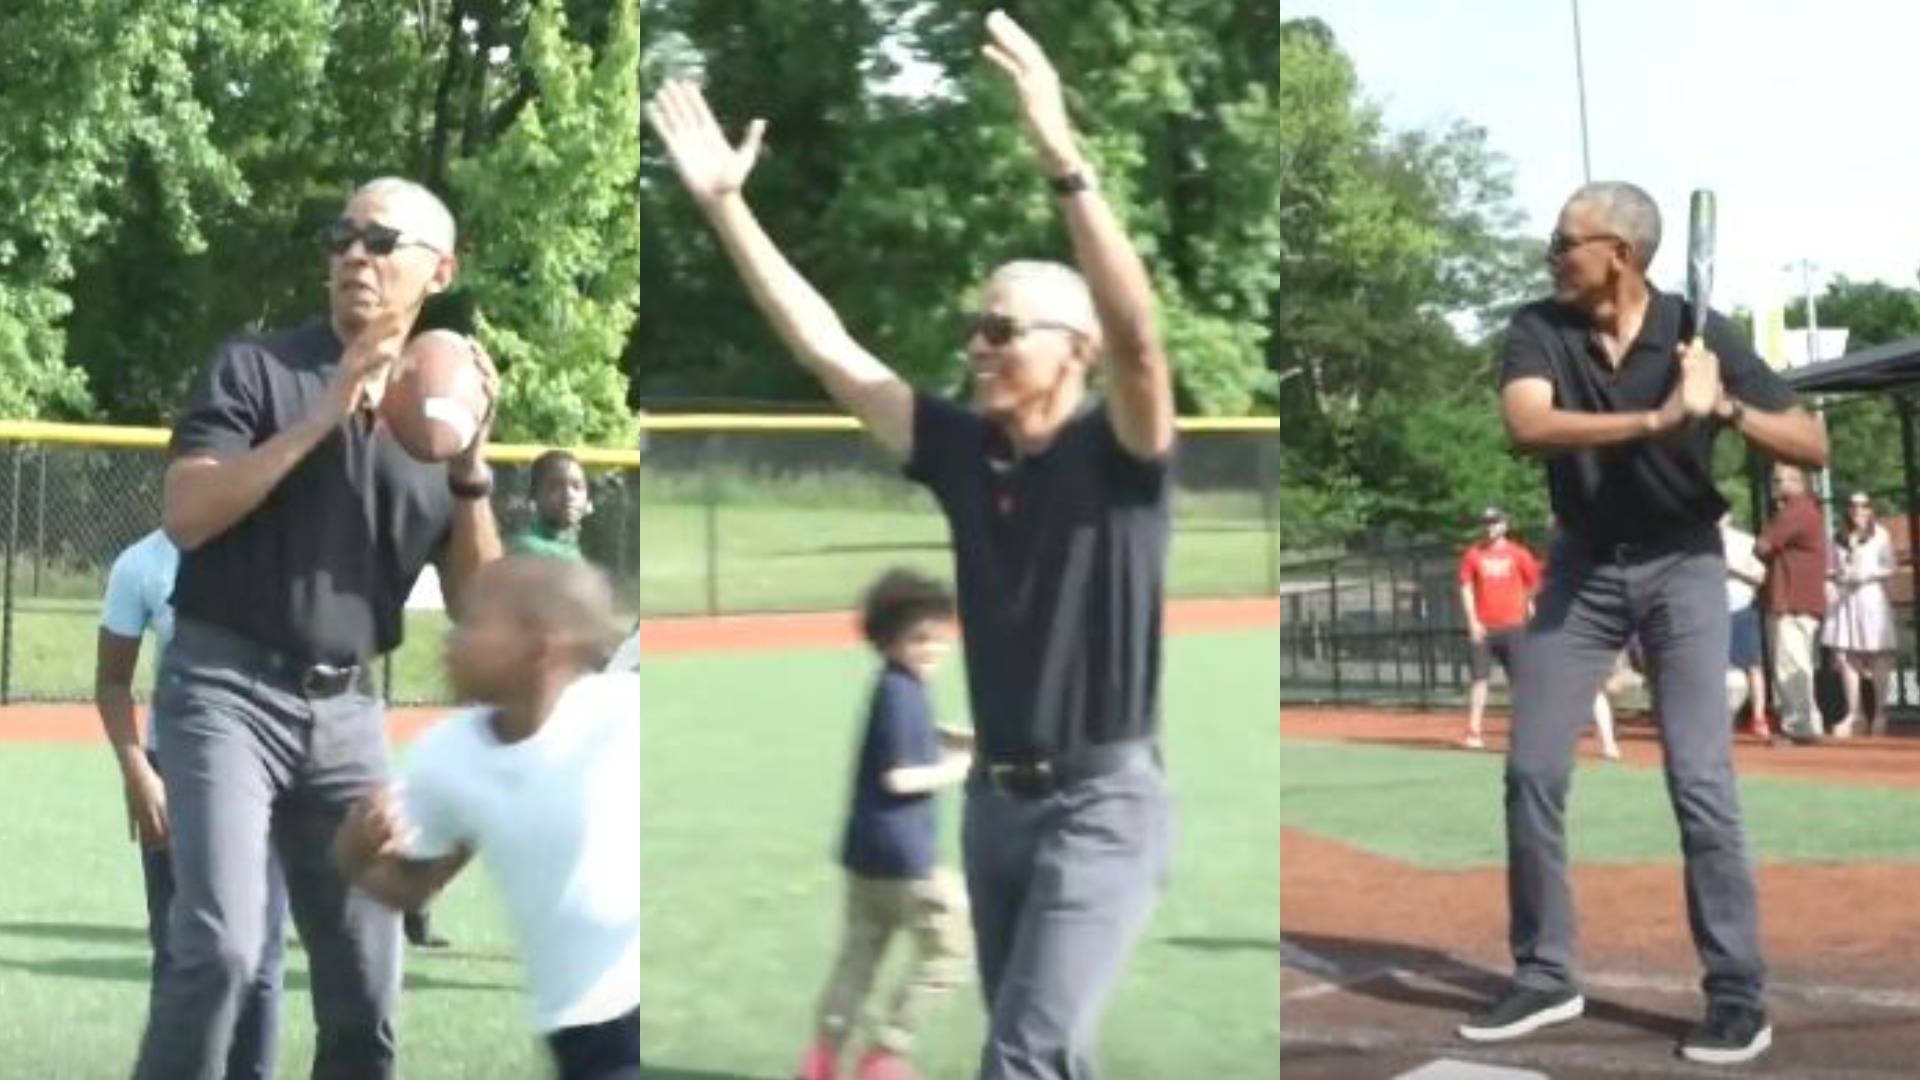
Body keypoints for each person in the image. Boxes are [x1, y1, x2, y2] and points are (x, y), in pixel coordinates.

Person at [647, 12, 1176, 1077]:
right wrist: (726, 211)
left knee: (1023, 1055)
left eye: (1000, 329)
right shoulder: (963, 450)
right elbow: (832, 350)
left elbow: (1140, 338)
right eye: (974, 327)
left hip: (1102, 805)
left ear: (1071, 352)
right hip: (996, 811)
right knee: (1034, 1052)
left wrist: (1062, 156)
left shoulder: (1121, 452)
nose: (975, 345)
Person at [134, 176, 504, 1080]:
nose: (353, 254)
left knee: (367, 990)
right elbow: (186, 514)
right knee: (221, 947)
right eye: (341, 234)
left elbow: (482, 610)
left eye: (380, 240)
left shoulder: (437, 421)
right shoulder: (257, 367)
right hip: (223, 691)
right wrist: (322, 413)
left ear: (440, 269)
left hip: (347, 716)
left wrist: (474, 463)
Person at [1456, 180, 1826, 1065]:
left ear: (1618, 252)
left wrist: (1725, 406)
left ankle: (1737, 993)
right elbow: (1527, 423)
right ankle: (1547, 974)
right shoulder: (1540, 326)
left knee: (1700, 780)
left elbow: (1811, 443)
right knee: (1532, 771)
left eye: (1563, 241)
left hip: (1683, 567)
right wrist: (1658, 418)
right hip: (1582, 567)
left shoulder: (1703, 329)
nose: (1550, 254)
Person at [330, 556, 638, 1080]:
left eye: (475, 624)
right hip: (575, 1032)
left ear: (541, 649)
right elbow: (414, 886)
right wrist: (355, 855)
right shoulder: (449, 755)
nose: (452, 639)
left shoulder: (621, 714)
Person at [98, 528, 289, 1080]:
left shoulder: (269, 548)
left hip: (261, 765)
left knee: (259, 951)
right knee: (182, 948)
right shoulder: (143, 564)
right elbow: (112, 681)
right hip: (172, 769)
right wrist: (137, 771)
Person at [797, 570, 974, 1080]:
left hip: (864, 859)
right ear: (889, 640)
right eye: (920, 638)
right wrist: (960, 768)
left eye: (940, 635)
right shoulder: (902, 692)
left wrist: (958, 739)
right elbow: (899, 776)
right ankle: (885, 1055)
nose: (934, 647)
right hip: (905, 862)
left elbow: (913, 737)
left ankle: (822, 1063)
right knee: (950, 952)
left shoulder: (895, 686)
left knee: (857, 963)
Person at [1457, 507, 1541, 751]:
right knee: (1479, 680)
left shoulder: (1519, 554)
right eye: (1486, 523)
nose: (1489, 527)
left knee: (1521, 682)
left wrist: (1527, 605)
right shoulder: (1473, 554)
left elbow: (1534, 583)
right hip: (1484, 627)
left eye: (1494, 522)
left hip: (1514, 627)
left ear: (1505, 525)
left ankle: (1525, 734)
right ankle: (1473, 732)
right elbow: (1466, 587)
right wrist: (1473, 620)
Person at [1755, 465, 1828, 745]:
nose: (1774, 484)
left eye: (1779, 479)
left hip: (1793, 601)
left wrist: (1769, 530)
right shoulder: (1804, 510)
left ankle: (1799, 726)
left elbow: (1763, 546)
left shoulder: (1795, 511)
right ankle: (1806, 723)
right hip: (1801, 601)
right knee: (1798, 664)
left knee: (1791, 664)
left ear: (1798, 482)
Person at [1823, 492, 1898, 737]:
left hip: (1872, 597)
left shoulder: (1881, 535)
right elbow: (1830, 569)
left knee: (1878, 655)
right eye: (1854, 505)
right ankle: (1855, 714)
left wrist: (1866, 573)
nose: (1859, 510)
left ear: (1871, 509)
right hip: (1847, 599)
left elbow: (1891, 566)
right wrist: (1836, 579)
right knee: (1848, 657)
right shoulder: (1837, 537)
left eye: (1864, 505)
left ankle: (1880, 713)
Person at [1720, 513, 1770, 739]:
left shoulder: (1744, 542)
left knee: (1752, 665)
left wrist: (1733, 570)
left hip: (1742, 608)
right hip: (1712, 612)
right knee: (1716, 666)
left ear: (1728, 517)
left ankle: (1758, 717)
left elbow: (1760, 577)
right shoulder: (1698, 545)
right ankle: (1722, 719)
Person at [510, 449, 592, 561]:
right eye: (555, 487)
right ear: (534, 494)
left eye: (577, 487)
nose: (569, 495)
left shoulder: (570, 545)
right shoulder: (528, 549)